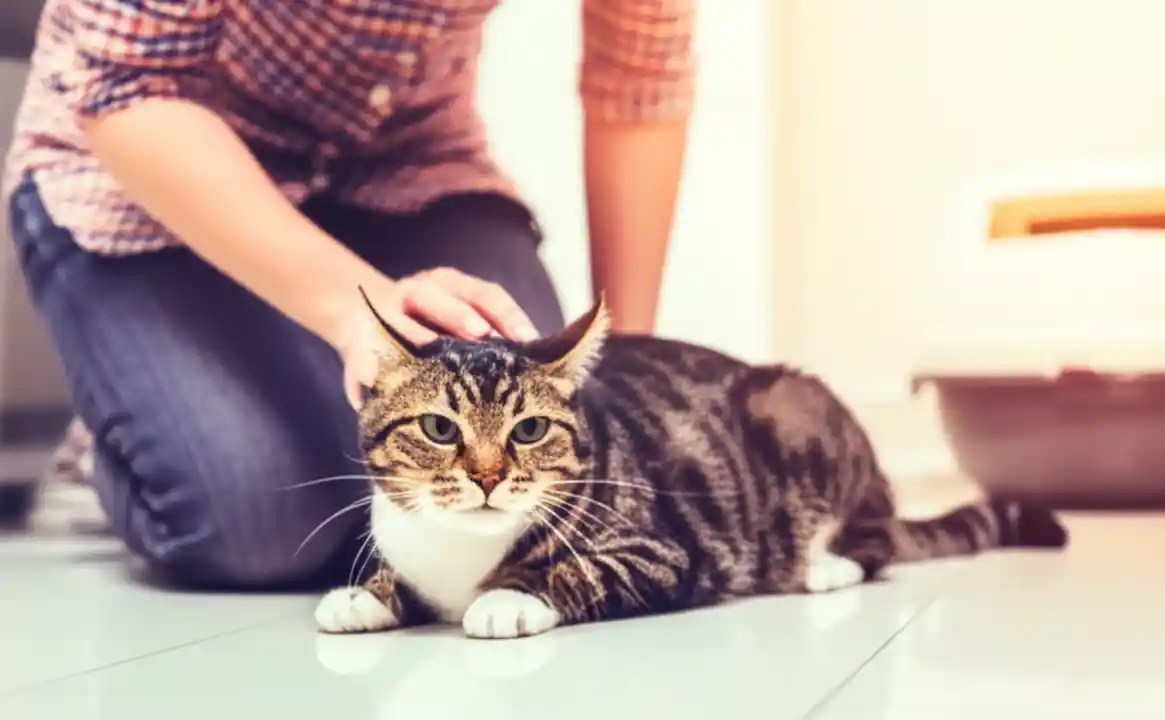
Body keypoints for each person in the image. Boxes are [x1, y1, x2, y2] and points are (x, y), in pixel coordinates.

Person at [4, 0, 694, 588]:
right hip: (142, 171)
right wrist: (348, 308)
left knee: (540, 470)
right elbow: (128, 81)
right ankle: (121, 434)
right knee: (257, 523)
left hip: (401, 168)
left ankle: (253, 379)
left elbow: (639, 80)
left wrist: (631, 374)